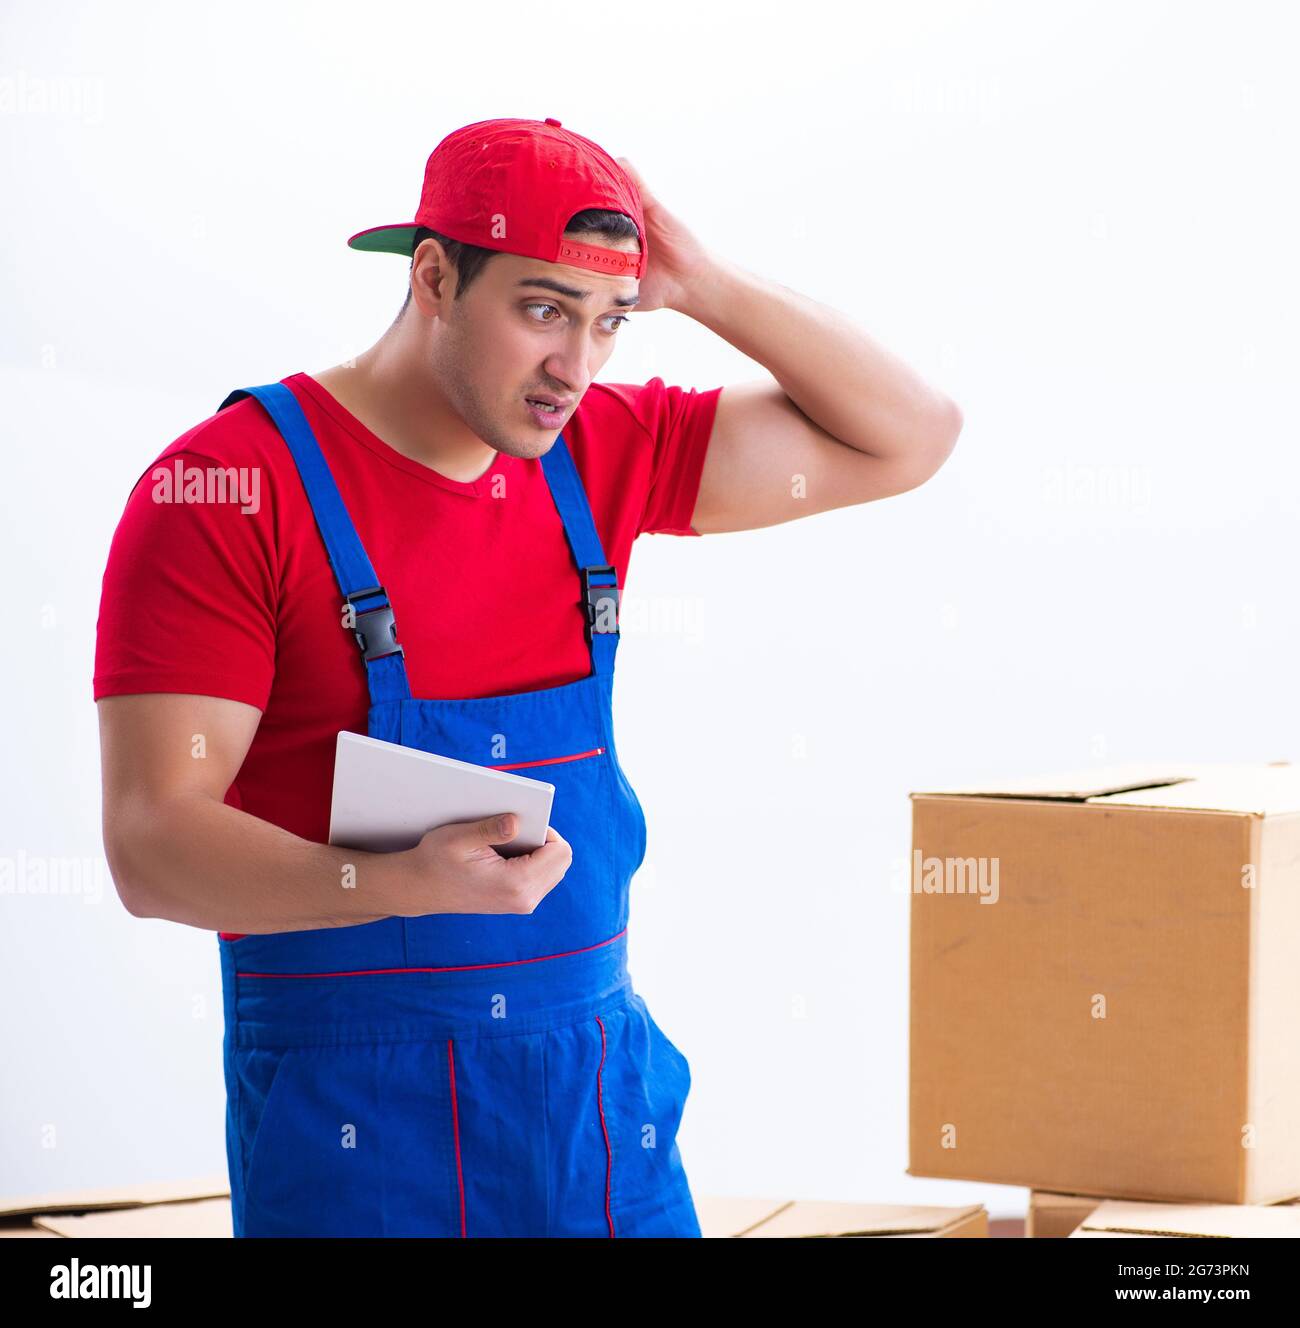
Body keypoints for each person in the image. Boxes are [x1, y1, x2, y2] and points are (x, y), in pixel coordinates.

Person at [94, 116, 963, 1238]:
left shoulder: (602, 452)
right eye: (544, 308)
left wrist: (699, 282)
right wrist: (397, 881)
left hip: (597, 1111)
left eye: (608, 321)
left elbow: (912, 436)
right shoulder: (226, 490)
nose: (577, 366)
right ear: (435, 274)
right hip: (357, 1127)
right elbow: (151, 844)